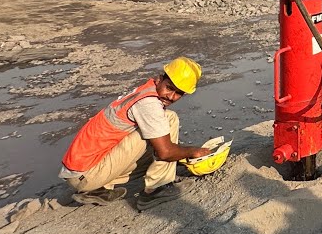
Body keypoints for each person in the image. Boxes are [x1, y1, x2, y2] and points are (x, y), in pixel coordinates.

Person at [59, 56, 214, 210]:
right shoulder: (149, 104)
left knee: (157, 138)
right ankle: (156, 189)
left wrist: (178, 157)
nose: (171, 96)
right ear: (160, 79)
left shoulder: (146, 90)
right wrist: (193, 152)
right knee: (168, 120)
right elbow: (165, 152)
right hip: (86, 175)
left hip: (80, 172)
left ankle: (98, 188)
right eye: (169, 88)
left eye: (178, 93)